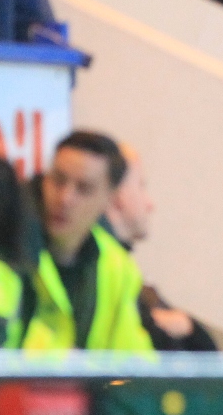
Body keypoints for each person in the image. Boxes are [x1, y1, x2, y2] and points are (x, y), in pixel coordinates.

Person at [17, 130, 153, 350]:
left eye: (84, 188)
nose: (65, 198)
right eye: (58, 181)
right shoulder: (7, 248)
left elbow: (134, 366)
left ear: (109, 199)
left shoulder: (116, 266)